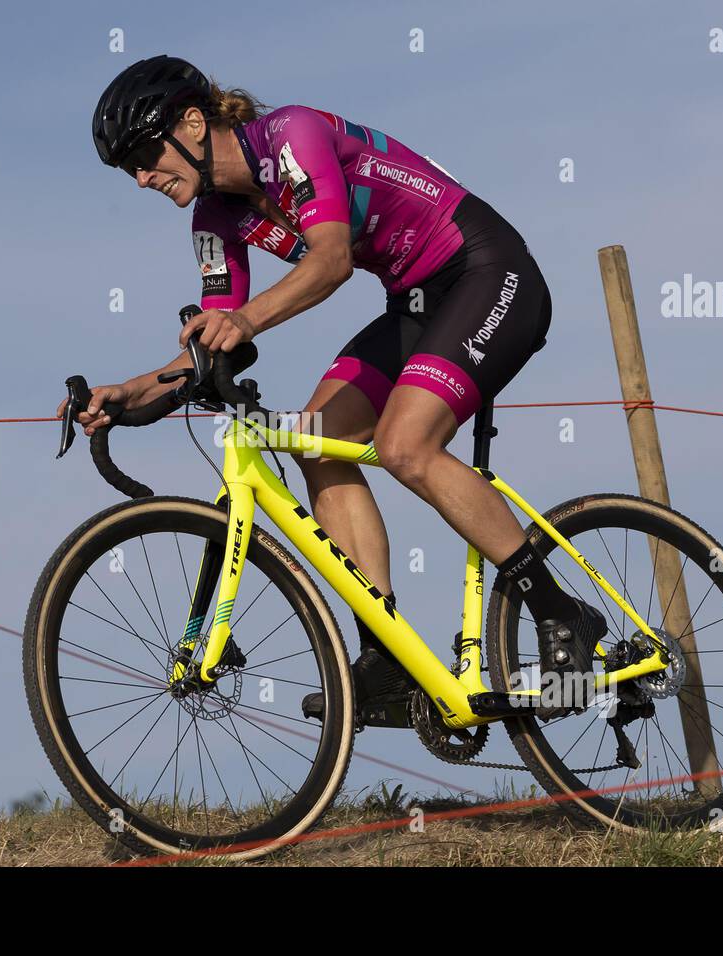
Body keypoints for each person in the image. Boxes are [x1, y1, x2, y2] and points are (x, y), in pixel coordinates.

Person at [67, 55, 605, 723]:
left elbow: (331, 260)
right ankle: (387, 661)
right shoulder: (213, 217)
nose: (143, 178)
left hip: (484, 269)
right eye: (130, 170)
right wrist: (130, 395)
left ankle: (563, 615)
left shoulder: (290, 137)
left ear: (194, 121)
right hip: (415, 302)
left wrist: (244, 319)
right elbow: (213, 336)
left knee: (405, 446)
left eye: (147, 154)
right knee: (316, 445)